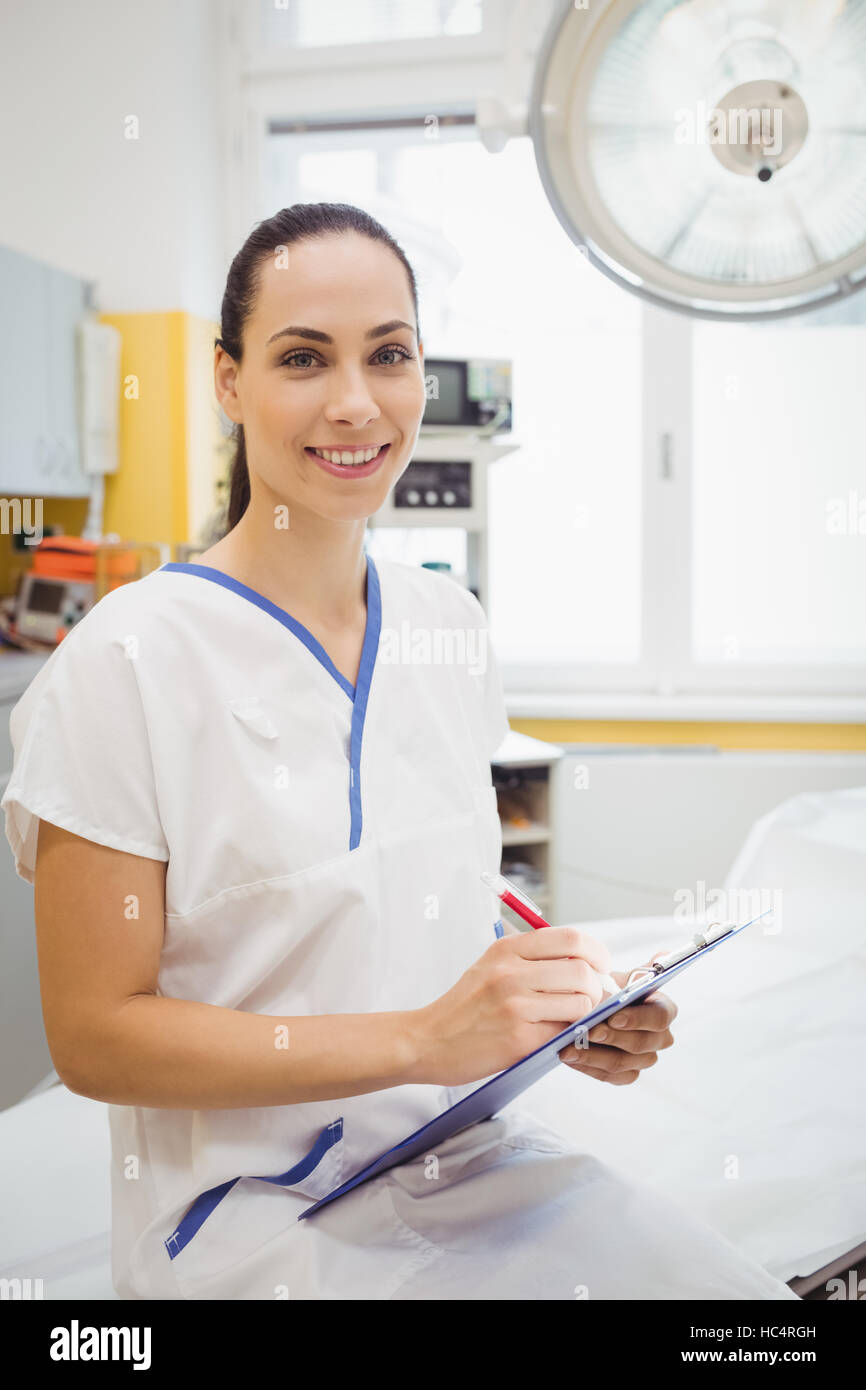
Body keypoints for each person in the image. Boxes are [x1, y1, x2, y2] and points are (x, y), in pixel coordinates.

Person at [2, 203, 799, 1301]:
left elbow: (422, 902)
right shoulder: (125, 661)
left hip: (462, 1155)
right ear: (228, 381)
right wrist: (424, 1039)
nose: (354, 402)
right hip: (251, 1224)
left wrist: (554, 1012)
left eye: (388, 355)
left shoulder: (445, 626)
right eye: (302, 358)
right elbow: (95, 1037)